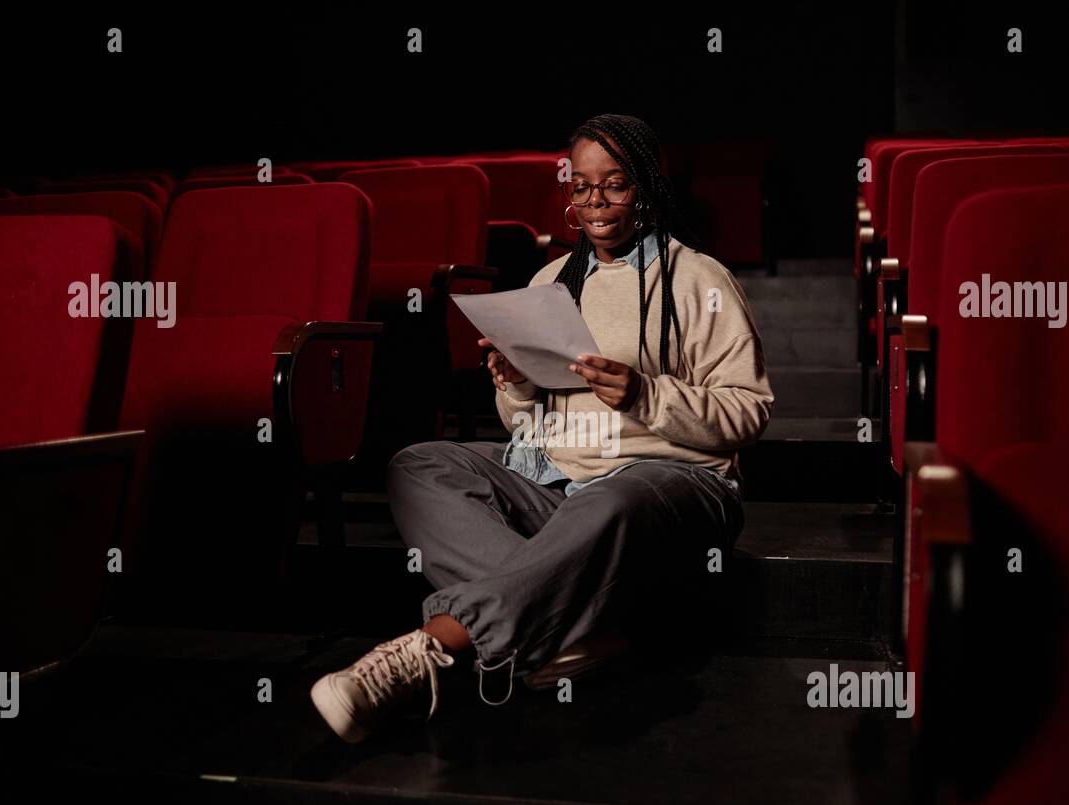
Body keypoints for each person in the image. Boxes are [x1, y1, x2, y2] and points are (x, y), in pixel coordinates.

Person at [311, 114, 773, 744]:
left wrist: (647, 395)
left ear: (647, 189)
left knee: (615, 494)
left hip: (674, 482)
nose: (596, 201)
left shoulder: (698, 279)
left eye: (614, 184)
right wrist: (518, 384)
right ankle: (571, 629)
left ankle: (429, 649)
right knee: (417, 465)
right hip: (561, 483)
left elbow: (749, 410)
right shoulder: (551, 281)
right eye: (582, 187)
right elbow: (527, 427)